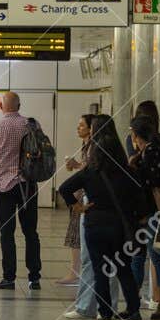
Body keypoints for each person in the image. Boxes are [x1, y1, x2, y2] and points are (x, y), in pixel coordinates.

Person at [62, 116, 144, 320]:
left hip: (95, 224)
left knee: (99, 270)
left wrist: (78, 206)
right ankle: (134, 312)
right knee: (123, 269)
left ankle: (105, 314)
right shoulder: (127, 171)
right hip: (119, 225)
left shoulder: (91, 171)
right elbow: (139, 198)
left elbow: (64, 188)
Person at [0, 91, 42, 291]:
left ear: (1, 106)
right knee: (30, 232)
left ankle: (9, 278)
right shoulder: (32, 125)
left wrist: (0, 175)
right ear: (19, 105)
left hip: (4, 188)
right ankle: (34, 278)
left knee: (7, 233)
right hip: (28, 185)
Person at [129, 112, 160, 320]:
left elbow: (145, 184)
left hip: (150, 213)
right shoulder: (158, 150)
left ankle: (135, 305)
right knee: (158, 258)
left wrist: (133, 166)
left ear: (137, 136)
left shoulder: (149, 153)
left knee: (143, 258)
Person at [56, 113, 96, 288]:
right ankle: (75, 270)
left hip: (86, 193)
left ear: (91, 128)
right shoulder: (85, 144)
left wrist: (76, 165)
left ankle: (77, 272)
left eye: (81, 125)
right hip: (79, 191)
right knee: (74, 232)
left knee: (79, 232)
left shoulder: (94, 146)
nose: (78, 128)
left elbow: (90, 170)